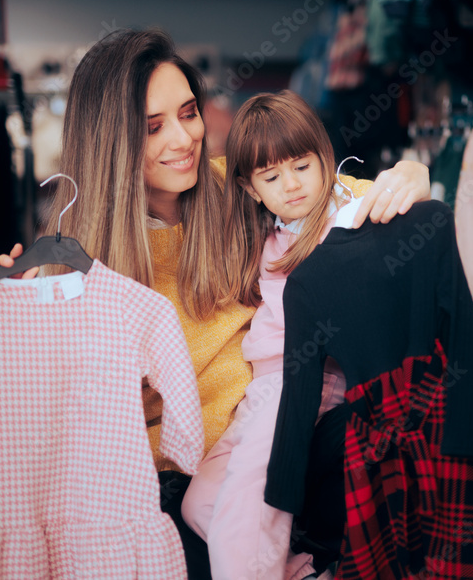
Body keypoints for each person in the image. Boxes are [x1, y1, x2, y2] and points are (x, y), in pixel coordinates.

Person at [0, 29, 430, 578]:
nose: (184, 139)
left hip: (281, 440)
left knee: (386, 423)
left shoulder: (236, 185)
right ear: (110, 140)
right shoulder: (78, 261)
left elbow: (341, 194)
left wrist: (408, 178)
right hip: (171, 483)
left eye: (188, 113)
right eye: (153, 127)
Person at [181, 90, 359, 580]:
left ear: (324, 161)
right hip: (261, 390)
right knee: (199, 504)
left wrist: (410, 174)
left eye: (302, 167)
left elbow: (370, 195)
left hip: (307, 381)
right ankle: (300, 574)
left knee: (247, 506)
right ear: (252, 188)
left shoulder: (341, 225)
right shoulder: (271, 234)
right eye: (273, 176)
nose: (293, 185)